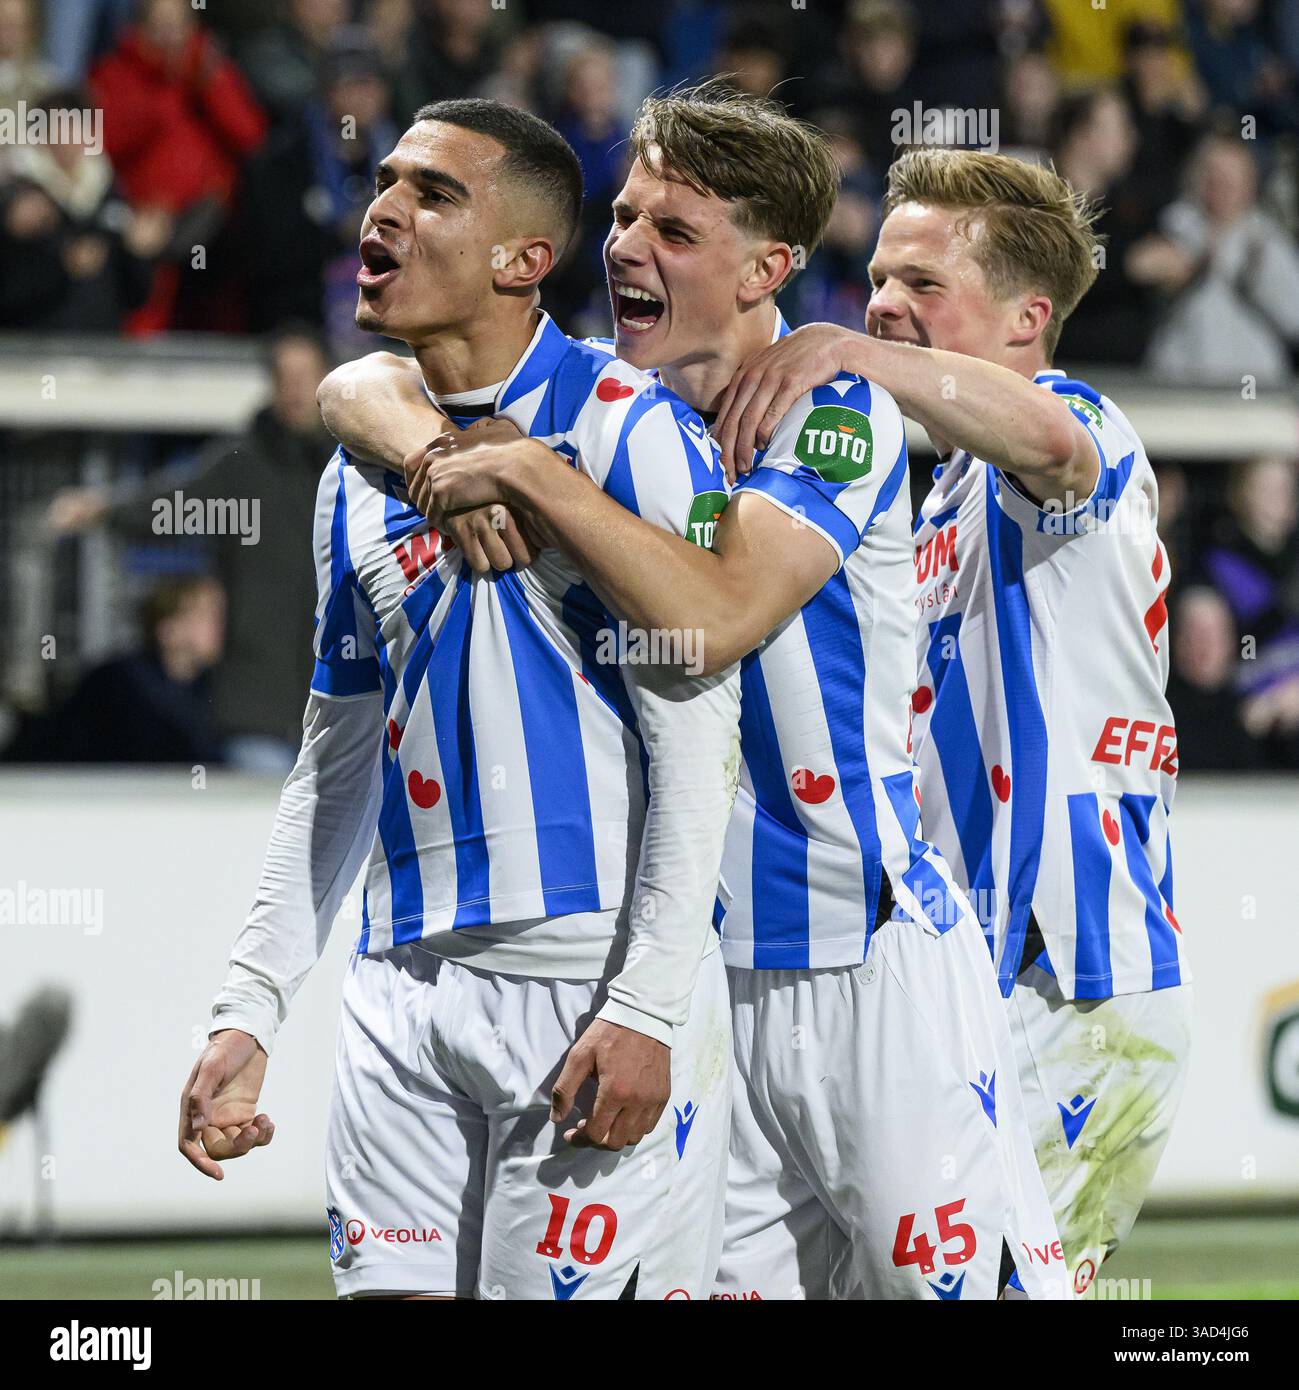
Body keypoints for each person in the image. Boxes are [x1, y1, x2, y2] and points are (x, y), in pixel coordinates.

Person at [318, 85, 1064, 1300]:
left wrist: (527, 473)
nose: (624, 248)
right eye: (622, 217)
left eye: (673, 231)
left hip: (857, 959)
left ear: (770, 264)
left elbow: (719, 619)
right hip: (688, 975)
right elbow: (358, 388)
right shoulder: (619, 408)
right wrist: (435, 446)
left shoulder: (836, 411)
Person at [178, 98, 740, 1302]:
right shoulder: (354, 474)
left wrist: (649, 1003)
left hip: (586, 985)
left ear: (524, 260)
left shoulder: (623, 427)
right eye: (385, 182)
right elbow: (335, 760)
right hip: (401, 986)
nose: (384, 210)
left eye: (433, 193)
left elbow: (699, 737)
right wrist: (252, 1005)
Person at [712, 147, 1193, 1297]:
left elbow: (1049, 441)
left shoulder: (1080, 431)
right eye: (876, 279)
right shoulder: (937, 495)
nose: (880, 302)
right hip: (956, 974)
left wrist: (846, 349)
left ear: (1030, 317)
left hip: (1069, 979)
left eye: (923, 284)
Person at [47, 328, 336, 770]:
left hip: (344, 707)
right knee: (257, 832)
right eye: (284, 376)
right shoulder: (245, 468)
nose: (295, 390)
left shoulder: (355, 465)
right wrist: (103, 510)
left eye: (305, 376)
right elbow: (171, 507)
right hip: (258, 707)